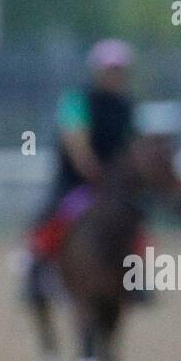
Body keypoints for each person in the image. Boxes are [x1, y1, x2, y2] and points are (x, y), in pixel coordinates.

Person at [23, 39, 136, 302]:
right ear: (97, 71)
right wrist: (92, 169)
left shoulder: (127, 106)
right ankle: (37, 274)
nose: (115, 76)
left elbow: (132, 147)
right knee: (48, 217)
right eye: (110, 70)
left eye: (119, 70)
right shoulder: (77, 101)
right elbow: (76, 143)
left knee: (134, 221)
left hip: (113, 184)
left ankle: (136, 279)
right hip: (76, 180)